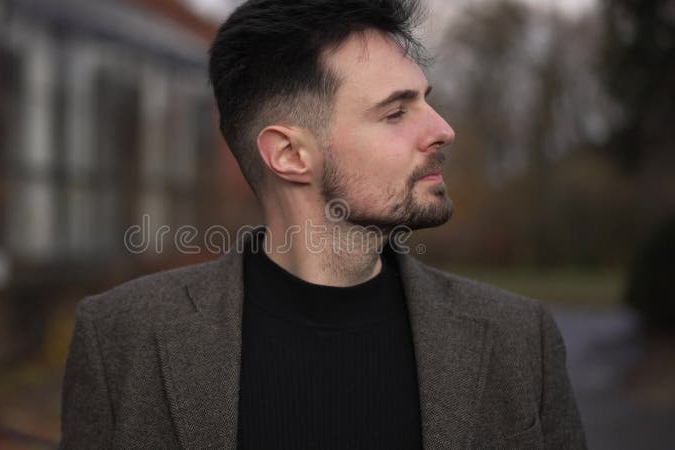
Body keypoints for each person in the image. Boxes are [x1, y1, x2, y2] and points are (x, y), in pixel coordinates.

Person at [59, 0, 587, 448]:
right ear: (289, 154)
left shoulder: (520, 340)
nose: (443, 129)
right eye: (396, 112)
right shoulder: (122, 340)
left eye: (425, 100)